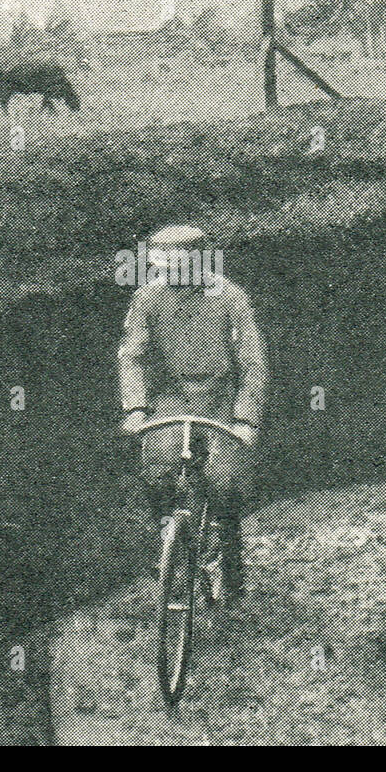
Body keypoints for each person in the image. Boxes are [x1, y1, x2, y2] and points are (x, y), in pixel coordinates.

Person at [117, 225, 268, 600]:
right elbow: (132, 357)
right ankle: (170, 542)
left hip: (219, 397)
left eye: (177, 262)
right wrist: (136, 407)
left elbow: (253, 361)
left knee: (224, 482)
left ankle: (228, 558)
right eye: (160, 262)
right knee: (157, 469)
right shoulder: (148, 299)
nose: (168, 270)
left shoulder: (229, 297)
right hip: (172, 396)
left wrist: (245, 418)